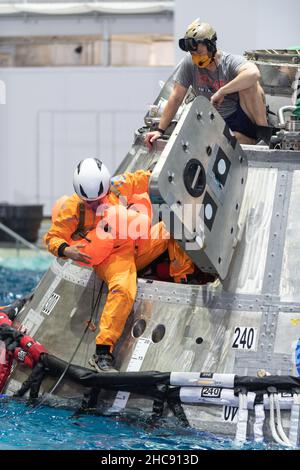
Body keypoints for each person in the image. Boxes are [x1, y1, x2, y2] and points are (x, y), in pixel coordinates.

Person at [45, 158, 194, 372]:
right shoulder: (72, 208)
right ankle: (103, 352)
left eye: (99, 199)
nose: (96, 204)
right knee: (123, 289)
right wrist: (67, 250)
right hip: (112, 257)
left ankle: (183, 277)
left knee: (175, 223)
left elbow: (144, 179)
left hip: (136, 243)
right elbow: (53, 237)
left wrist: (174, 171)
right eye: (90, 202)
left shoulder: (117, 185)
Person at [145, 19, 268, 147]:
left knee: (250, 84)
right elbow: (176, 97)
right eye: (192, 53)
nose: (196, 57)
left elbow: (254, 74)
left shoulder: (230, 62)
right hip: (212, 121)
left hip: (238, 116)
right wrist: (160, 130)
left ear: (210, 46)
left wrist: (222, 91)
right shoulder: (189, 63)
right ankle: (246, 141)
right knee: (226, 143)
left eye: (199, 52)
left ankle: (264, 135)